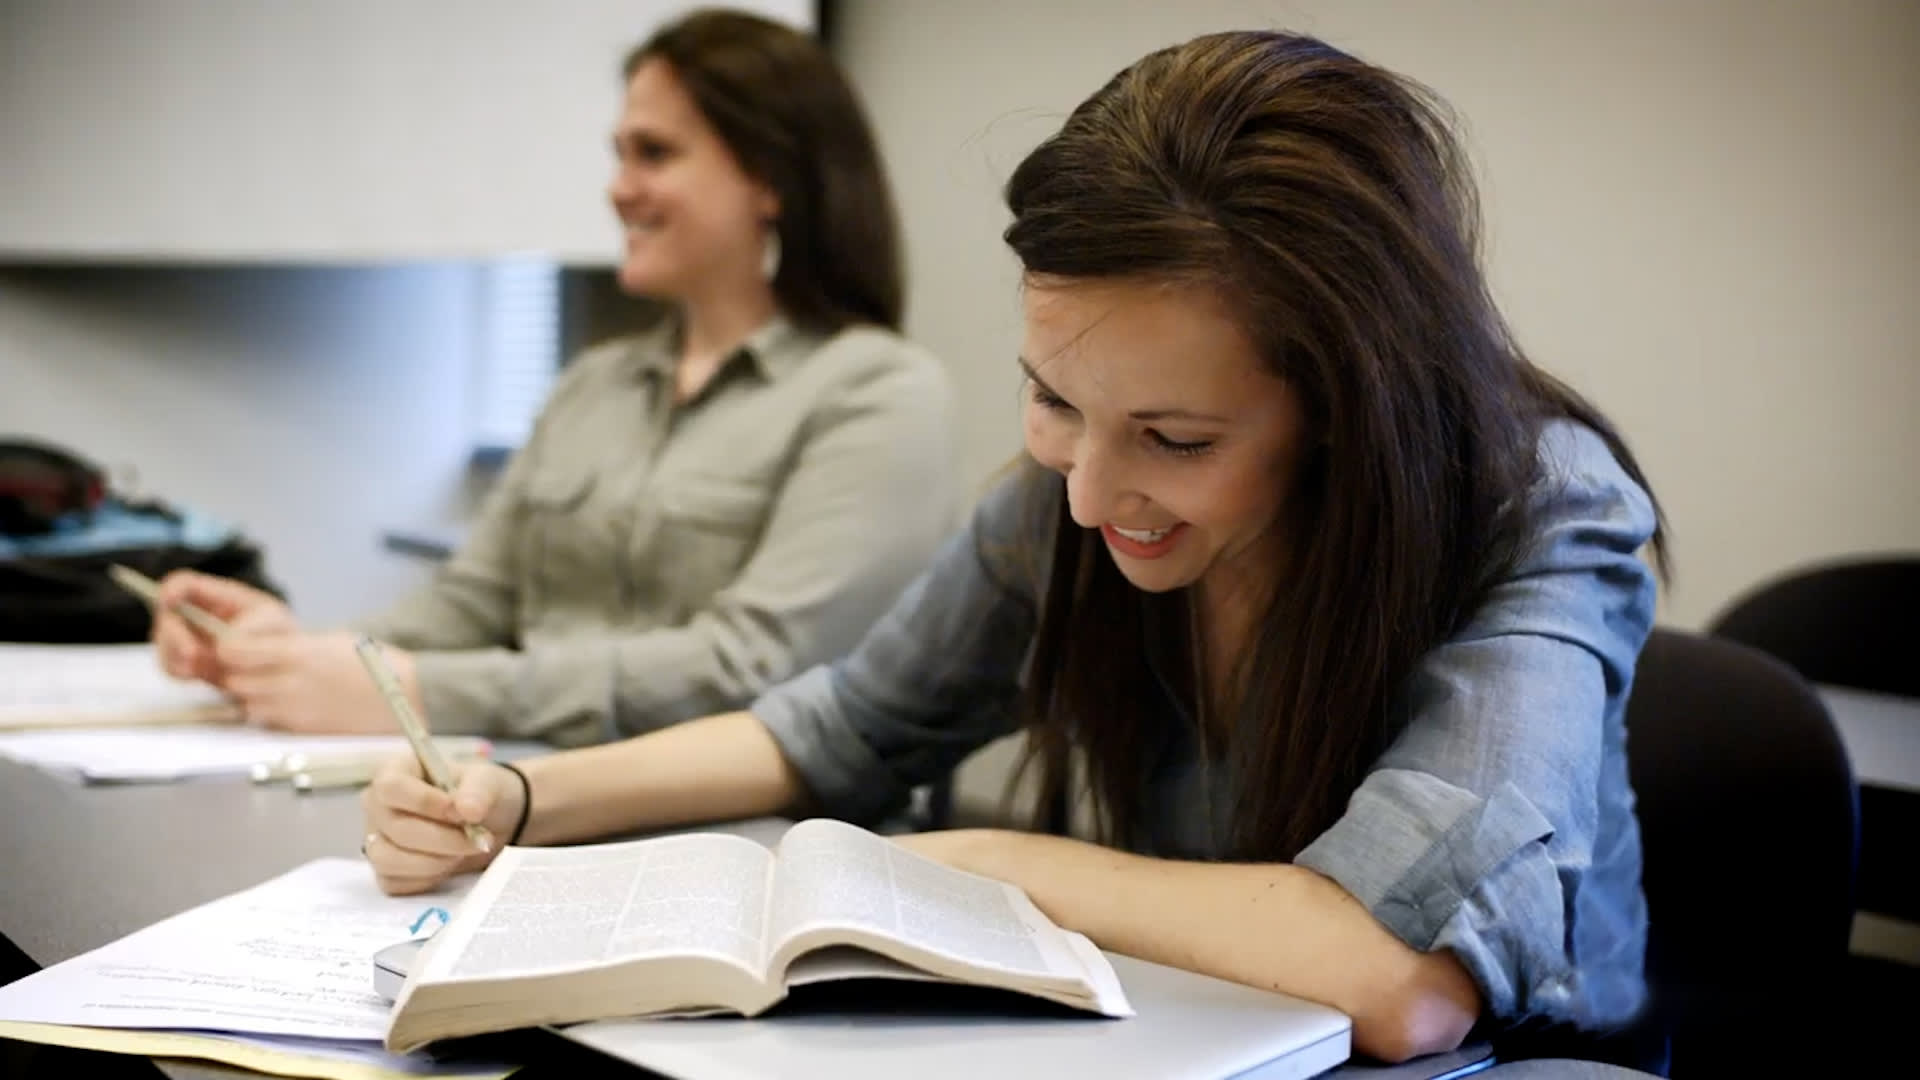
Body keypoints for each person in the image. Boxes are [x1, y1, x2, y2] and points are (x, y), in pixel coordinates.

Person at [360, 28, 1673, 1066]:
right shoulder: (1070, 490)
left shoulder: (1541, 508)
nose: (1092, 494)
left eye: (1174, 436)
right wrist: (525, 803)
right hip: (1202, 1029)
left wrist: (982, 868)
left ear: (1346, 410)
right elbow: (839, 729)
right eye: (1052, 398)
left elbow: (1404, 989)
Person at [149, 9, 958, 746]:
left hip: (741, 836)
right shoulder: (593, 385)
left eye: (655, 153)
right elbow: (473, 602)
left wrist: (425, 693)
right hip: (525, 790)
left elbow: (752, 671)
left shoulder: (880, 395)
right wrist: (298, 653)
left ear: (770, 179)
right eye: (619, 154)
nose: (618, 188)